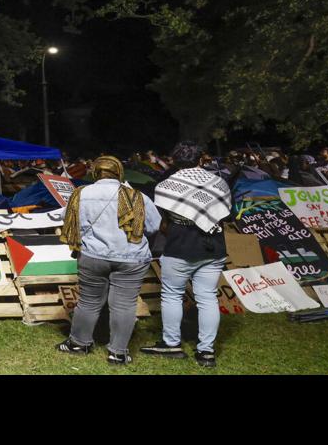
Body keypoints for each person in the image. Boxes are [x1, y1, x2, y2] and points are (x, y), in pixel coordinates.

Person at [55, 155, 161, 365]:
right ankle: (118, 353)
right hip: (132, 258)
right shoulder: (136, 196)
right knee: (124, 305)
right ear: (119, 172)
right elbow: (154, 225)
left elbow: (67, 220)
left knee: (88, 301)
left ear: (95, 173)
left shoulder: (81, 194)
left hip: (93, 256)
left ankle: (78, 343)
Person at [140, 141, 227, 368]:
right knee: (207, 297)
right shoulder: (219, 182)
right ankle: (206, 351)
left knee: (172, 295)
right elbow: (225, 215)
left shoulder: (166, 185)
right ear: (201, 160)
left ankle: (171, 344)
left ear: (174, 161)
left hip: (180, 245)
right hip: (213, 246)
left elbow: (164, 222)